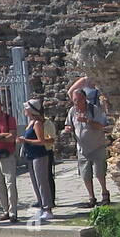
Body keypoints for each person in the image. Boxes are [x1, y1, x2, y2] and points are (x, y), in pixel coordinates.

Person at [64, 76, 111, 208]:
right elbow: (69, 124)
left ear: (84, 99)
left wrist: (87, 121)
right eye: (74, 101)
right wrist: (68, 128)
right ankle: (91, 197)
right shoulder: (72, 111)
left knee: (99, 172)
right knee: (85, 174)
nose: (75, 103)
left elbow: (101, 126)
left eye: (78, 100)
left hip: (97, 146)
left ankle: (105, 193)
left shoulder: (93, 109)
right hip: (82, 149)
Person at [17, 99, 55, 222]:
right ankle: (42, 205)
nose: (24, 110)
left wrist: (25, 141)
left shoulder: (37, 123)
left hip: (39, 155)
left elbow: (41, 141)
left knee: (42, 182)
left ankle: (48, 208)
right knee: (35, 182)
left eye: (26, 108)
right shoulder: (31, 122)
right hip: (31, 155)